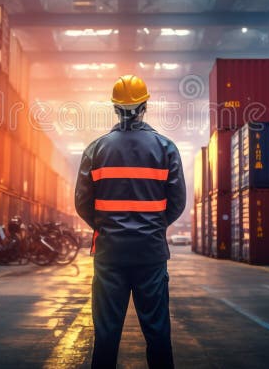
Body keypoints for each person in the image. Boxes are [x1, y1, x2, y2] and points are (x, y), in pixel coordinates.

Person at [75, 74, 187, 369]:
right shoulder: (166, 148)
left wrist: (106, 228)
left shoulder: (95, 149)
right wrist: (154, 227)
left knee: (107, 334)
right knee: (158, 334)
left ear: (115, 108)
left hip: (110, 254)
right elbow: (177, 203)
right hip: (150, 253)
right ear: (145, 105)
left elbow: (82, 203)